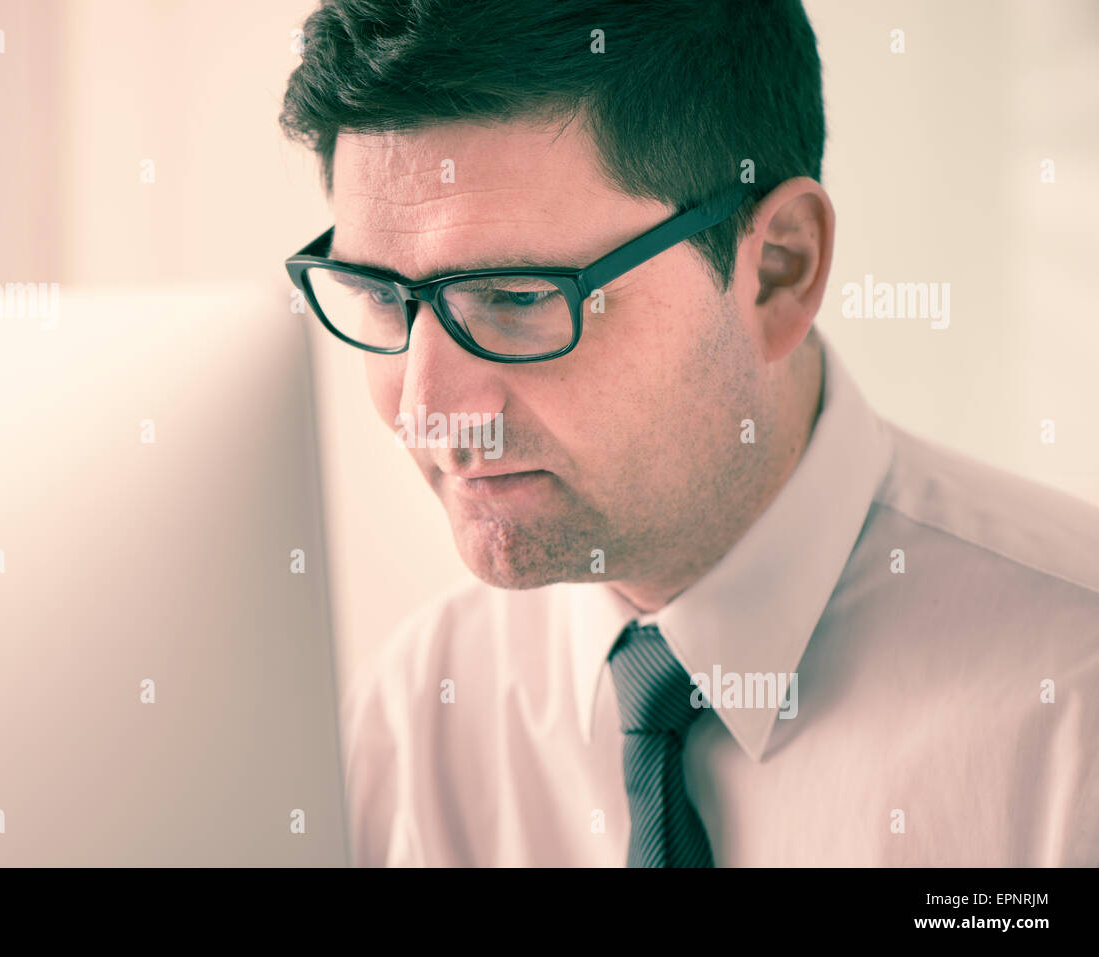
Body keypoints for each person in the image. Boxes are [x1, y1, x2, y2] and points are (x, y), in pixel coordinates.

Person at [280, 0, 1099, 866]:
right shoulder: (411, 727)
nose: (427, 411)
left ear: (779, 268)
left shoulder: (1072, 705)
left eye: (519, 298)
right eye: (377, 294)